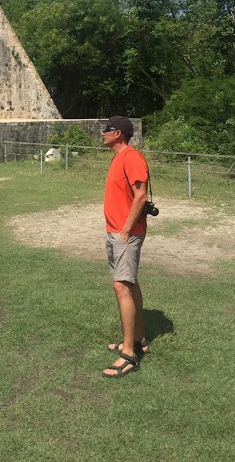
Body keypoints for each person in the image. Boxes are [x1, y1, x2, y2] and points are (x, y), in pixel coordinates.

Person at [99, 115, 150, 378]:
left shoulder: (132, 157)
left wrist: (126, 230)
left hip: (125, 235)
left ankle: (128, 354)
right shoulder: (118, 158)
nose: (101, 133)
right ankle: (138, 339)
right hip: (117, 232)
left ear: (118, 133)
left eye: (105, 129)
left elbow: (141, 195)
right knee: (128, 283)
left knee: (121, 285)